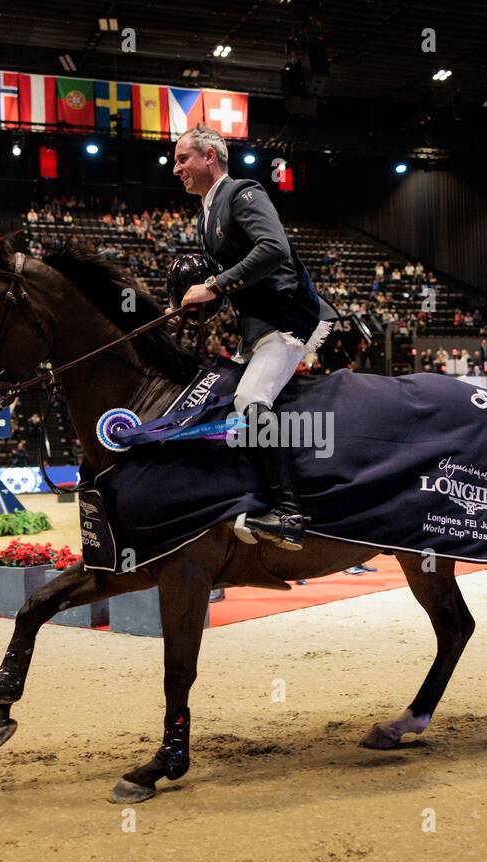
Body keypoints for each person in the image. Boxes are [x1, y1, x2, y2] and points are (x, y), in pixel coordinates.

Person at [171, 124, 338, 550]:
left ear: (210, 157)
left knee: (250, 401)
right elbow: (229, 282)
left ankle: (288, 512)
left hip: (288, 320)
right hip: (256, 330)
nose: (176, 169)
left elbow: (273, 249)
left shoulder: (244, 191)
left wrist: (214, 286)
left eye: (182, 159)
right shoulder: (205, 217)